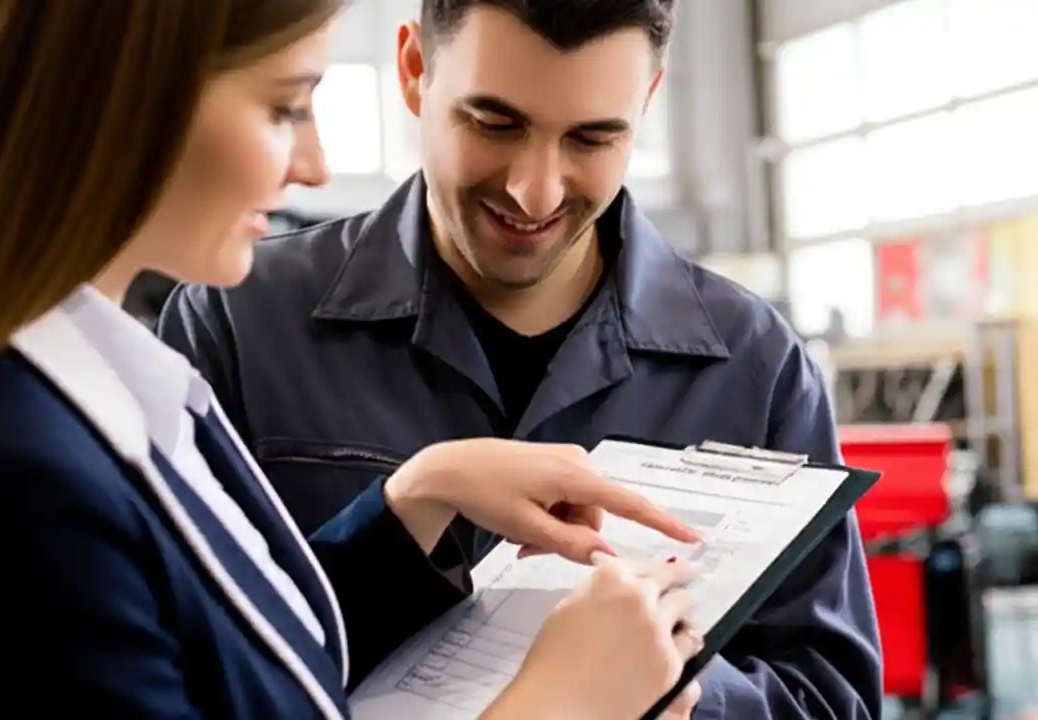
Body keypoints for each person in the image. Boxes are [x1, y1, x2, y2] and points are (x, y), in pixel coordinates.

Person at [0, 2, 708, 717]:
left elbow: (233, 667)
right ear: (121, 99)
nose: (314, 167)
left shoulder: (116, 390)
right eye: (287, 107)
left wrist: (411, 501)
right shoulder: (5, 476)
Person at [158, 0, 884, 717]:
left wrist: (678, 687)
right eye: (494, 124)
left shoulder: (758, 365)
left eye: (593, 139)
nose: (533, 191)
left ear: (648, 100)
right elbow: (179, 662)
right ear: (414, 70)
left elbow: (832, 700)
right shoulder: (238, 321)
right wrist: (391, 523)